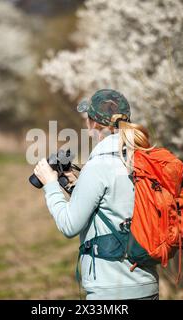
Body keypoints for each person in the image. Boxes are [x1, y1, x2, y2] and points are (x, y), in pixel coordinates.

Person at [33, 89, 159, 300]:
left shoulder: (99, 165)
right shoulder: (142, 158)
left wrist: (51, 185)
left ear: (95, 125)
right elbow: (116, 204)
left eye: (88, 119)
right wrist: (77, 187)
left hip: (112, 291)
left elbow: (69, 225)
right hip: (147, 285)